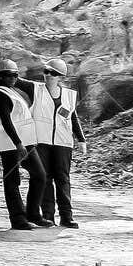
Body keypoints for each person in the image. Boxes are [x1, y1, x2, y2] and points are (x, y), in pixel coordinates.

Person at [30, 57, 88, 228]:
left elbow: (73, 117)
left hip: (63, 143)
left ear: (61, 77)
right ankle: (48, 216)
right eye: (46, 72)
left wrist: (81, 139)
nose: (48, 75)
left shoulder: (68, 96)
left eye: (53, 73)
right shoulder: (36, 90)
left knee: (63, 179)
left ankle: (66, 217)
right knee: (45, 179)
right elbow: (17, 81)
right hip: (41, 142)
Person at [0, 60, 47, 229]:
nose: (15, 78)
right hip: (11, 144)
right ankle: (18, 219)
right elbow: (7, 122)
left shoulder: (12, 91)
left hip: (24, 143)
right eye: (10, 75)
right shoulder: (1, 95)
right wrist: (18, 144)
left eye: (16, 75)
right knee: (13, 180)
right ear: (0, 77)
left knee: (40, 175)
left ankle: (34, 214)